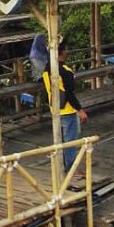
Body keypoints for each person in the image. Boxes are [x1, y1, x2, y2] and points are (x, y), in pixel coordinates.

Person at [41, 42, 88, 172]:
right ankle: (70, 168)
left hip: (55, 108)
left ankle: (61, 166)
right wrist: (80, 109)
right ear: (61, 52)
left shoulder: (47, 68)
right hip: (67, 109)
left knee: (59, 139)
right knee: (69, 141)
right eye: (66, 49)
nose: (67, 51)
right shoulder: (66, 71)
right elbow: (69, 93)